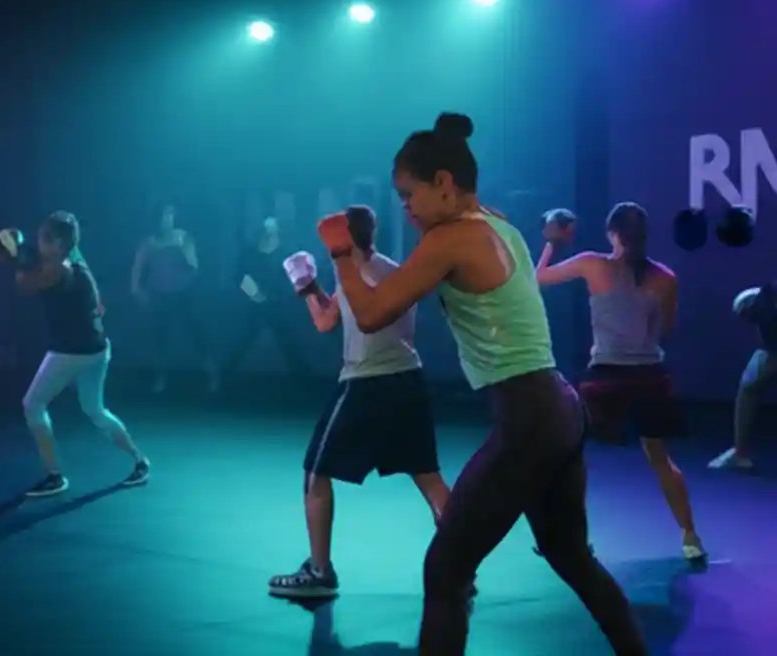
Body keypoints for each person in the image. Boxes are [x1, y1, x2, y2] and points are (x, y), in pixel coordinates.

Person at [319, 113, 645, 654]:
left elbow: (373, 312)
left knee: (445, 570)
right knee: (570, 557)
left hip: (530, 420)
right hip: (560, 410)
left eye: (409, 195)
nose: (406, 207)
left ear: (443, 184)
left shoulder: (451, 238)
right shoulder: (499, 223)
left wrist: (340, 252)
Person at [268, 206, 450, 599]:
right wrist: (308, 288)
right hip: (408, 383)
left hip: (367, 383)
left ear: (343, 240)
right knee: (429, 479)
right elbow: (327, 321)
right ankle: (461, 573)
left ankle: (319, 571)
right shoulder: (377, 269)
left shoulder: (365, 275)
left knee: (315, 475)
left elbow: (362, 315)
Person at [536, 202, 705, 561]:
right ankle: (691, 537)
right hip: (650, 376)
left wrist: (552, 240)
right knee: (660, 458)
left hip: (606, 377)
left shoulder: (592, 263)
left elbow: (538, 278)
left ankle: (575, 542)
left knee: (574, 458)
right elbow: (666, 331)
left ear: (611, 233)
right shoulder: (665, 278)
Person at [0, 211, 151, 497]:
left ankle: (54, 476)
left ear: (58, 245)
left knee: (32, 404)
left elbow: (24, 285)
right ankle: (140, 461)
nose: (38, 242)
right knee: (96, 410)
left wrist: (13, 256)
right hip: (98, 348)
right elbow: (41, 264)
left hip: (72, 352)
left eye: (44, 239)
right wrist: (22, 251)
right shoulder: (74, 256)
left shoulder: (60, 271)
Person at [131, 204, 218, 393]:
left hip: (184, 295)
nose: (165, 220)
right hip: (160, 296)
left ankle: (212, 376)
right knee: (159, 339)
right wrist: (137, 290)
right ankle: (159, 380)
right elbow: (137, 269)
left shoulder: (183, 238)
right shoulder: (149, 243)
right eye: (163, 217)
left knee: (198, 336)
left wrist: (182, 255)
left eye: (169, 216)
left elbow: (194, 267)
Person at [221, 216, 314, 380]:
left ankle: (308, 384)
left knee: (290, 348)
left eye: (272, 229)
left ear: (278, 231)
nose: (268, 233)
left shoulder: (285, 254)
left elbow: (293, 282)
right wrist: (253, 294)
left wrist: (274, 296)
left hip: (277, 308)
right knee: (243, 343)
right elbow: (238, 276)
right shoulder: (250, 253)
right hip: (256, 307)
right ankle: (224, 378)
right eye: (265, 229)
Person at [709, 281, 777, 471]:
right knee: (749, 385)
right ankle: (740, 452)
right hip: (772, 348)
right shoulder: (766, 301)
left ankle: (740, 452)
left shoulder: (767, 307)